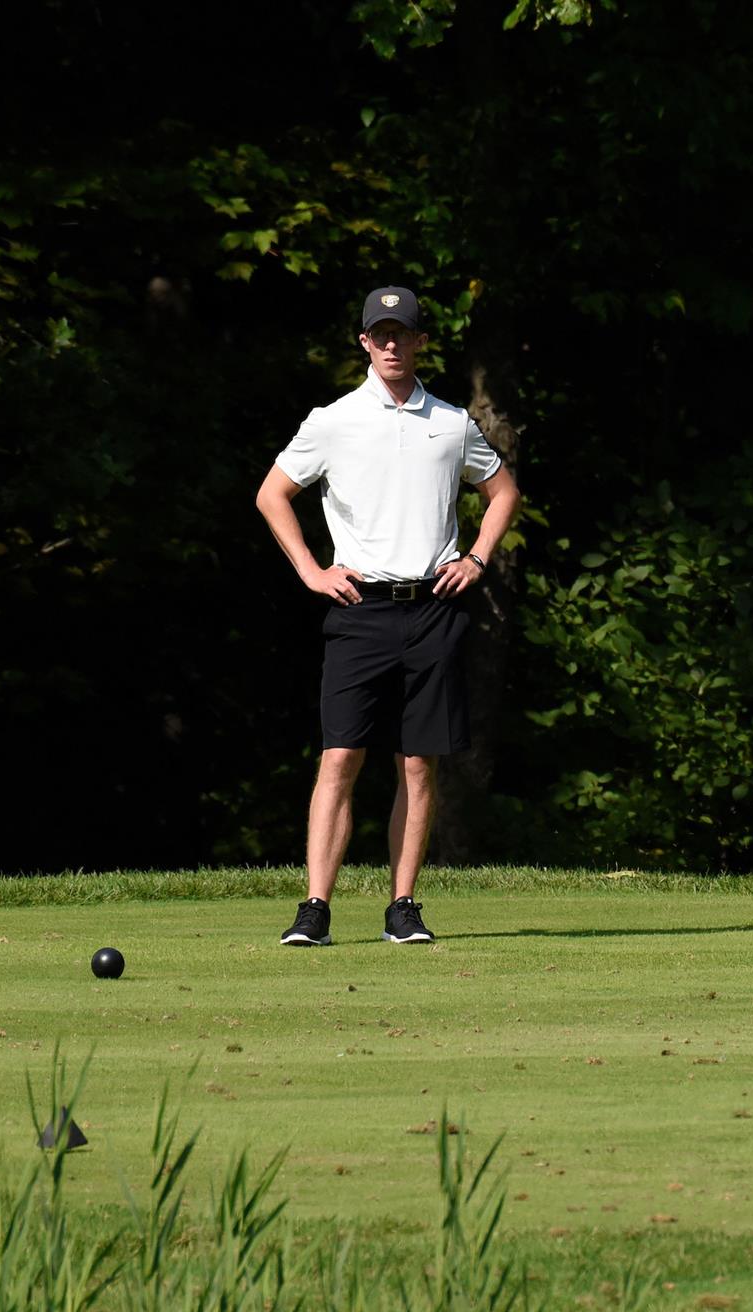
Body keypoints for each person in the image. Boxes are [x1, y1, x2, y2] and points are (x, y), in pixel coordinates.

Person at [255, 286, 521, 947]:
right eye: (382, 333)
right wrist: (311, 571)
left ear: (422, 341)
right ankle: (315, 906)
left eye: (404, 333)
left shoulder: (452, 421)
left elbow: (502, 491)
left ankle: (403, 905)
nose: (393, 343)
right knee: (340, 756)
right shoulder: (334, 419)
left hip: (432, 605)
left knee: (418, 763)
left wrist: (478, 559)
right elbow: (273, 493)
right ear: (365, 342)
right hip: (360, 608)